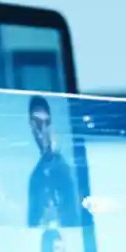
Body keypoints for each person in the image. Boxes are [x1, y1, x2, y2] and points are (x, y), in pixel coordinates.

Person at [25, 95, 81, 227]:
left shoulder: (63, 170)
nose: (41, 131)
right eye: (36, 123)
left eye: (46, 123)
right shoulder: (37, 175)